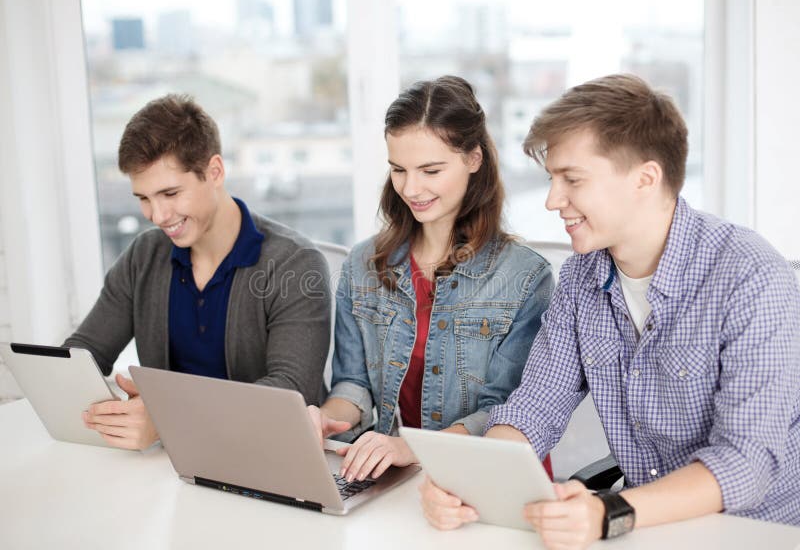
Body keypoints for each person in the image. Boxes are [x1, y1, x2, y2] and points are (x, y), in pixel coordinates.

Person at [420, 73, 800, 545]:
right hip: (640, 526)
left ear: (645, 178)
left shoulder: (752, 277)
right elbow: (535, 407)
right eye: (552, 179)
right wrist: (471, 482)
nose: (553, 200)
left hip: (754, 532)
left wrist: (610, 512)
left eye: (572, 179)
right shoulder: (581, 276)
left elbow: (745, 464)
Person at [307, 75, 554, 483]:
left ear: (473, 159)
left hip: (491, 476)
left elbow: (504, 412)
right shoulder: (362, 264)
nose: (411, 188)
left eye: (430, 170)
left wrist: (414, 448)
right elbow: (353, 384)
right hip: (404, 474)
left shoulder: (525, 278)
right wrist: (326, 419)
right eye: (398, 170)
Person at [66, 94, 331, 450]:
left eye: (170, 193)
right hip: (175, 459)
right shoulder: (144, 255)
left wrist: (167, 419)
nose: (158, 216)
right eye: (143, 198)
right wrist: (107, 408)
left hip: (266, 454)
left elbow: (289, 392)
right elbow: (83, 354)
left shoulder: (295, 263)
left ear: (215, 172)